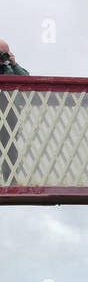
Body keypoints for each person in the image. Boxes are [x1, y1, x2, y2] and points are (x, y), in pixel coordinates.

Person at [0, 38, 30, 186]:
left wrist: (14, 64)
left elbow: (28, 80)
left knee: (11, 147)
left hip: (10, 115)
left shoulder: (10, 68)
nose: (2, 56)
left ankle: (10, 179)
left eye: (5, 53)